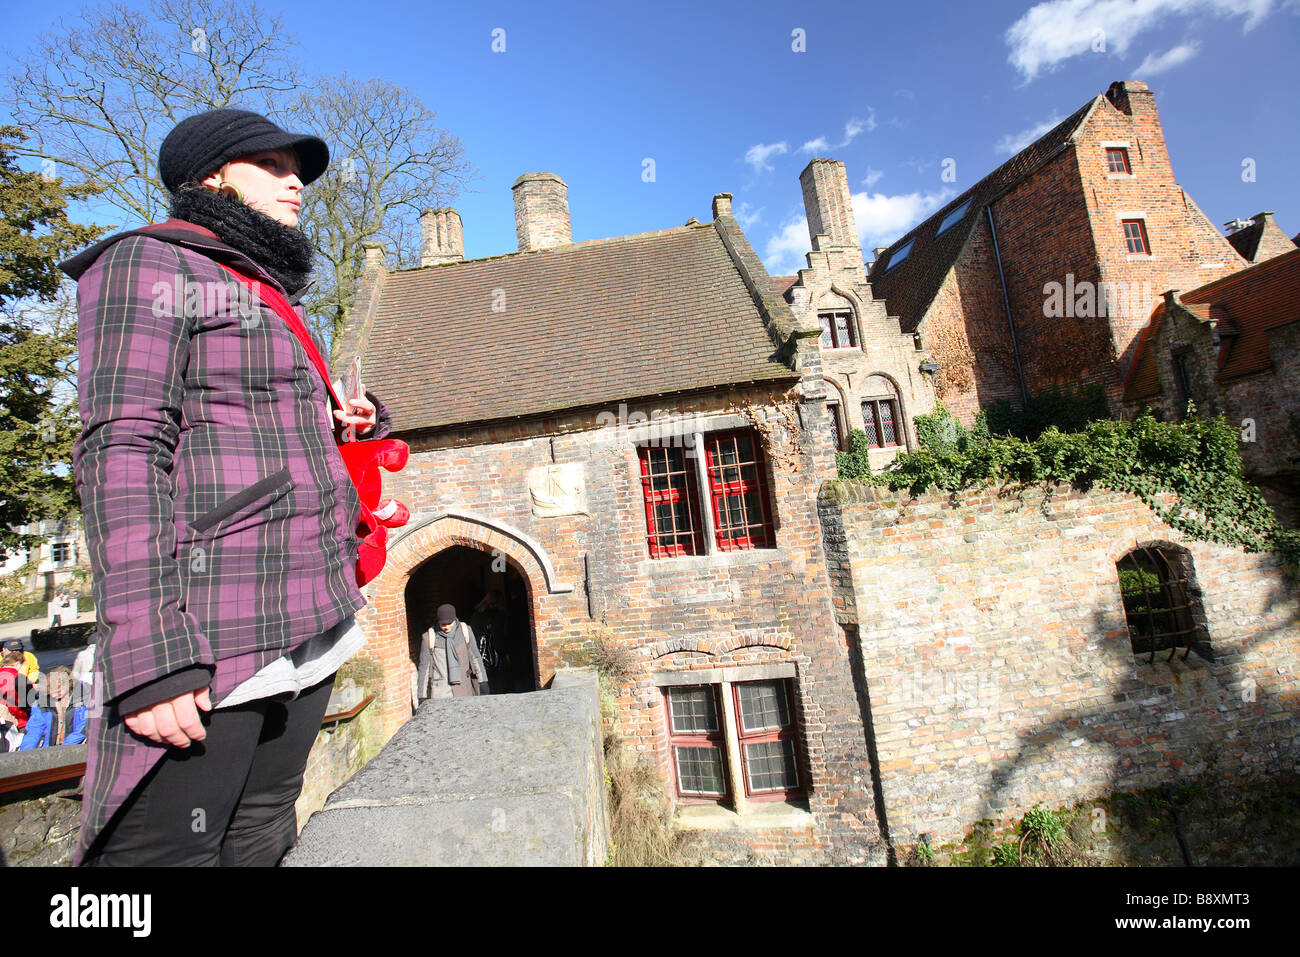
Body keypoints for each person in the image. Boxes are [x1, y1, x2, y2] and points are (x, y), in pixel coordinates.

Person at [60, 108, 392, 866]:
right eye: (273, 165)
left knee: (264, 833)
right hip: (216, 628)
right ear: (212, 176)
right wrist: (150, 652)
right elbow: (122, 448)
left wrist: (349, 423)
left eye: (298, 171)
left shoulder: (260, 287)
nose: (296, 183)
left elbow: (255, 432)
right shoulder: (149, 265)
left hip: (309, 616)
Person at [417, 603, 488, 701]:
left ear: (454, 620)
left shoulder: (465, 631)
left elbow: (476, 657)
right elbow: (424, 668)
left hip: (464, 688)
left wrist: (483, 681)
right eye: (443, 624)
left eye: (449, 623)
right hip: (440, 692)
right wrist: (421, 696)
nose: (446, 627)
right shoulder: (429, 638)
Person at [19, 668, 89, 749]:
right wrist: (25, 753)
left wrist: (65, 747)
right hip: (51, 749)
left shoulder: (86, 699)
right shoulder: (42, 704)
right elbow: (34, 731)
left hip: (80, 747)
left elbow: (85, 726)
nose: (53, 695)